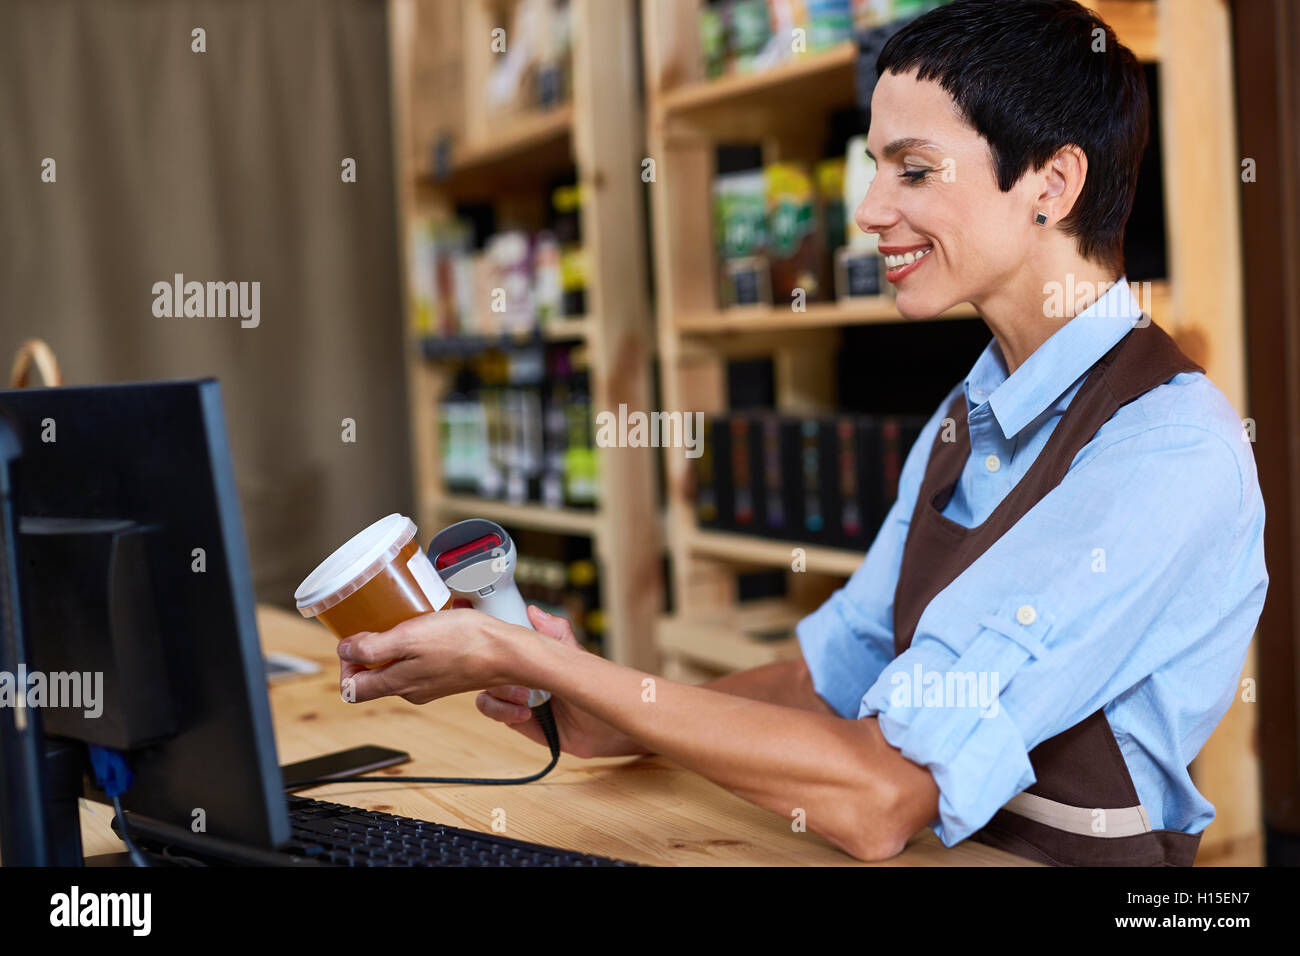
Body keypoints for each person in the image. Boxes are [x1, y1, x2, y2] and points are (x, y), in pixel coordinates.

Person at [335, 0, 1267, 865]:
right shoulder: (968, 416)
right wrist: (595, 704)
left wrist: (524, 654)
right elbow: (830, 676)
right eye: (874, 167)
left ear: (1051, 184)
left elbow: (882, 795)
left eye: (913, 170)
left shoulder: (1166, 452)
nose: (869, 210)